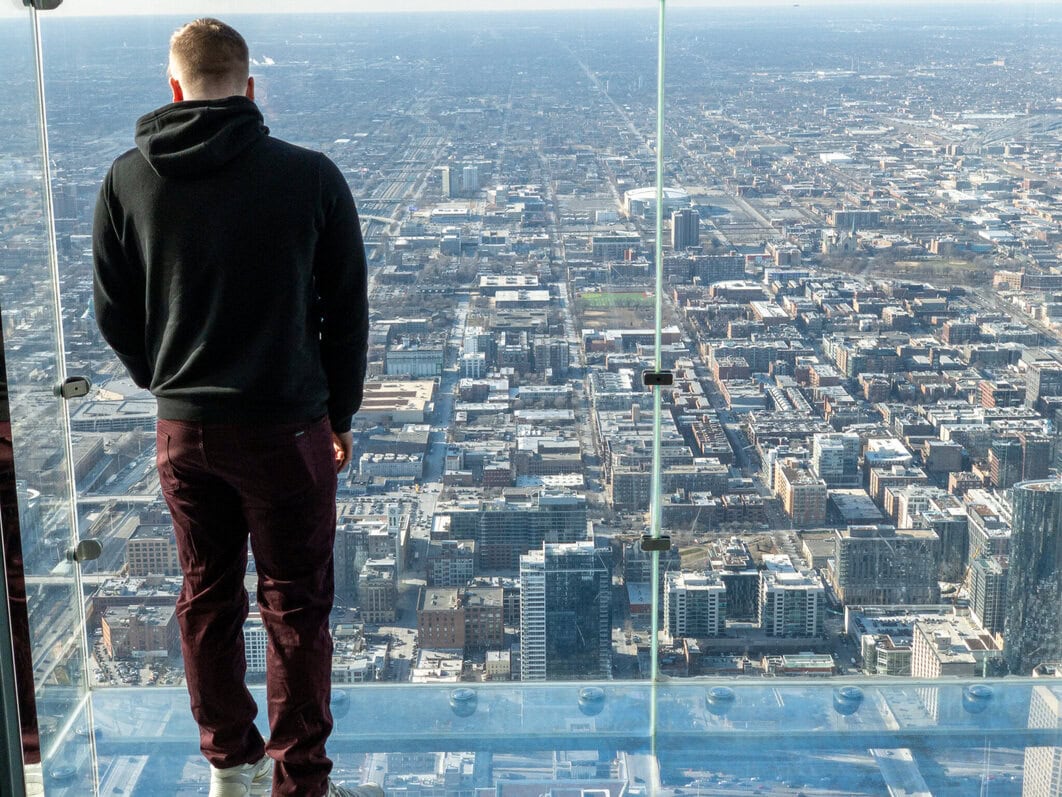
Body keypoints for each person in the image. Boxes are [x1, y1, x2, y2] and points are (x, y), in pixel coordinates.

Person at [92, 18, 374, 797]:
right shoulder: (310, 177)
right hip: (288, 430)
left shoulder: (126, 179)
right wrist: (338, 415)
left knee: (205, 593)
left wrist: (171, 382)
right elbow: (345, 312)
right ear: (250, 88)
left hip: (186, 431)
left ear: (174, 87)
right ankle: (299, 782)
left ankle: (230, 765)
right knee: (295, 607)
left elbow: (114, 311)